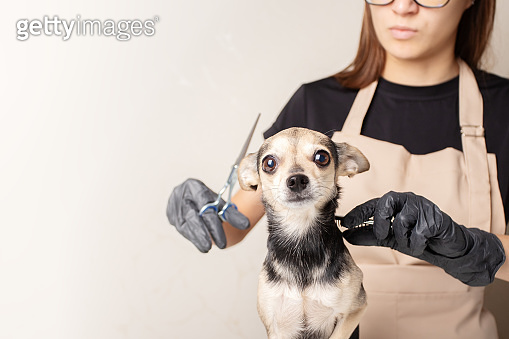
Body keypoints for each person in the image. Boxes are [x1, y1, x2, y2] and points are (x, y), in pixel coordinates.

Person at [167, 0, 509, 338]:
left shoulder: (503, 108)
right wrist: (204, 212)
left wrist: (479, 249)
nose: (403, 7)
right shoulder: (314, 103)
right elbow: (235, 224)